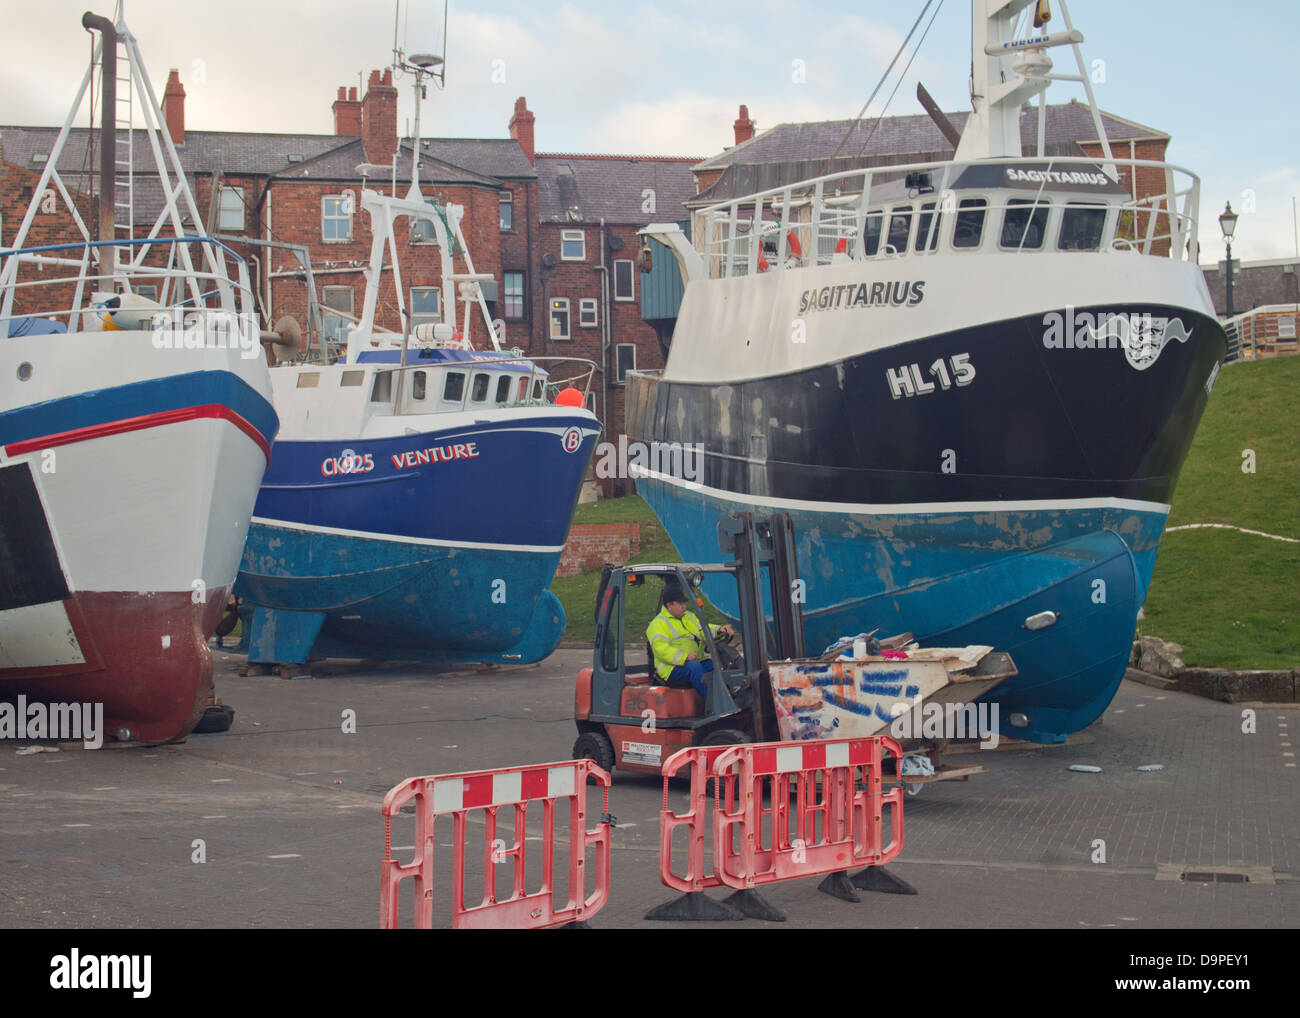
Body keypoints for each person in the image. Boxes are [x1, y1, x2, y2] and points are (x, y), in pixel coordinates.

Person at [645, 583, 734, 698]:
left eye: (684, 602)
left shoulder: (688, 617)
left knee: (717, 664)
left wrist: (719, 630)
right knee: (694, 667)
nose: (684, 606)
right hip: (671, 669)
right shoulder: (658, 624)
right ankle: (714, 702)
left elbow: (703, 629)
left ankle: (730, 696)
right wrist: (684, 657)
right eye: (680, 603)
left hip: (693, 662)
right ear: (669, 605)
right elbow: (661, 650)